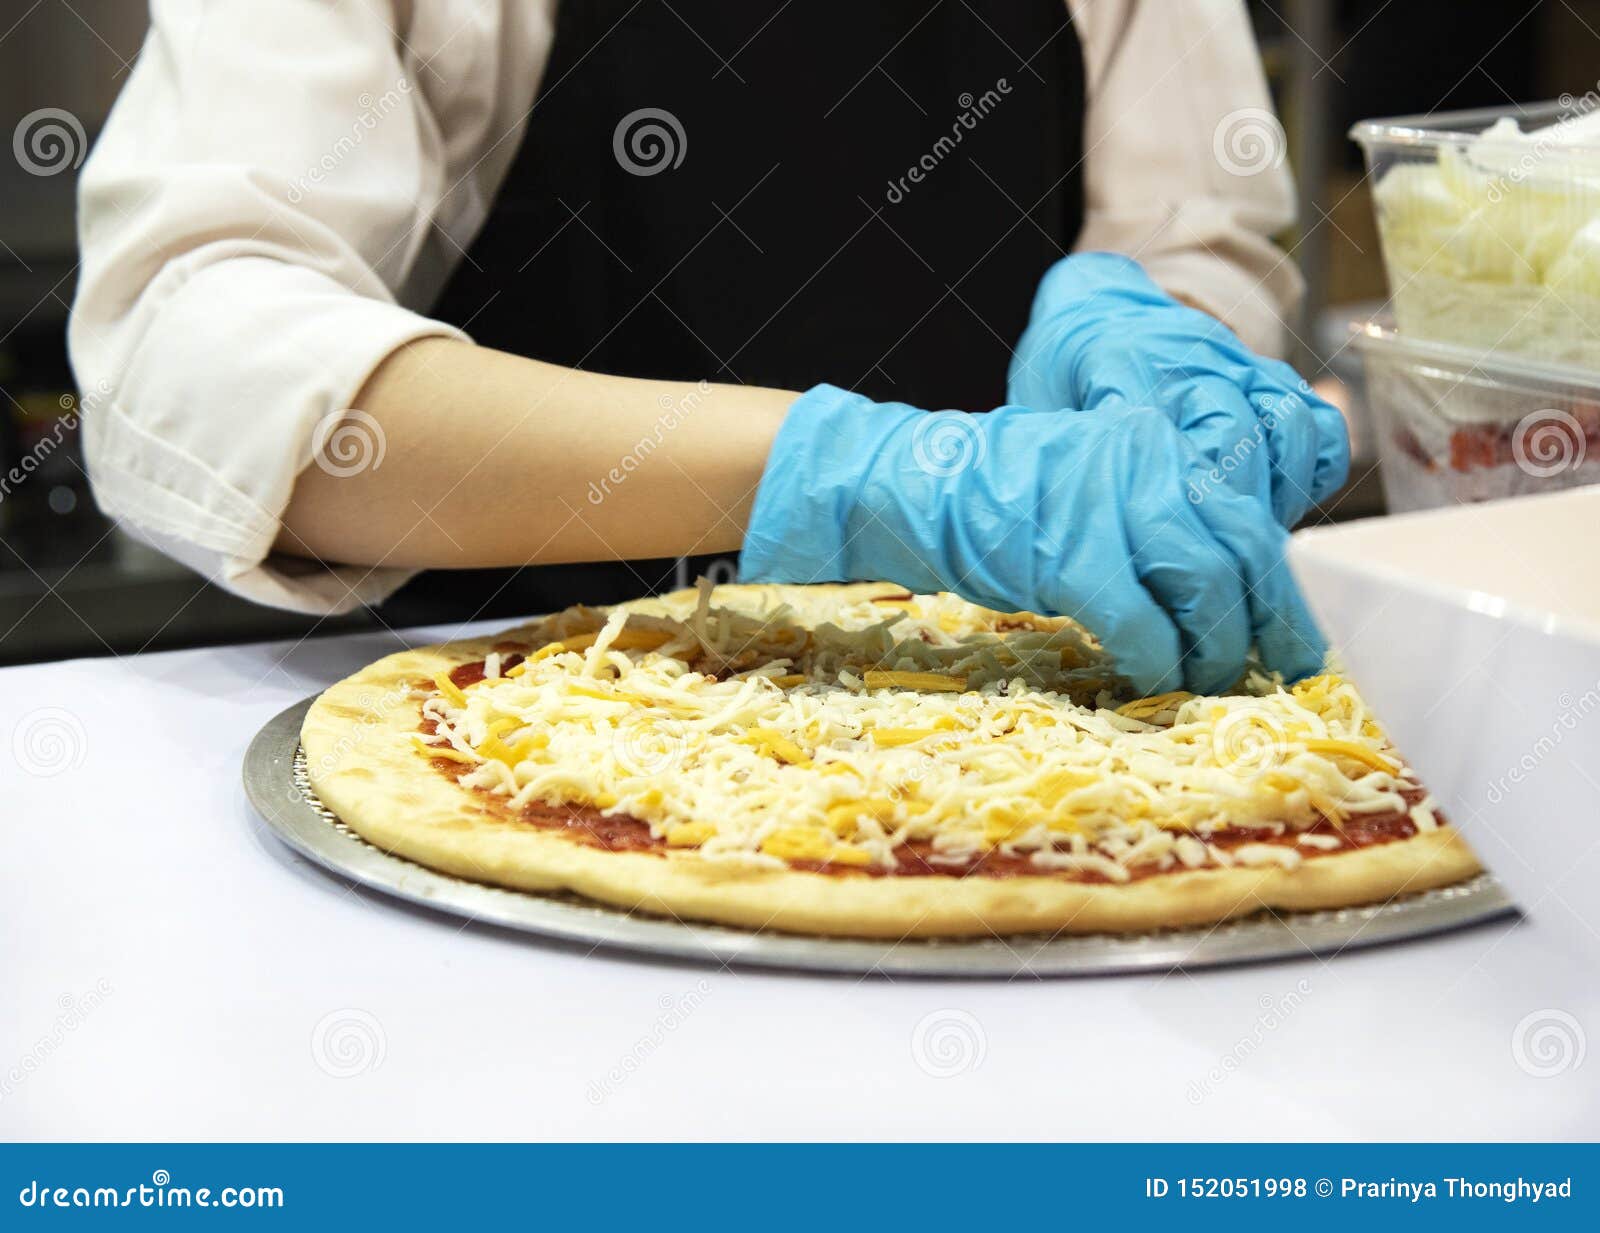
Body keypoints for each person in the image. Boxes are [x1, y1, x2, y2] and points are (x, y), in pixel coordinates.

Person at [69, 0, 1347, 695]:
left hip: (1025, 701)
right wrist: (849, 469)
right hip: (542, 712)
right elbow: (194, 339)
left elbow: (1199, 237)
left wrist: (1156, 341)